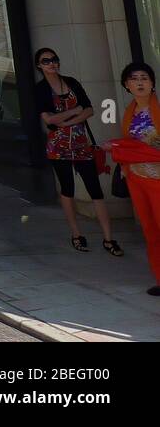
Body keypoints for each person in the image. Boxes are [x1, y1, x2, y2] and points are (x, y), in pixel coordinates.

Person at [33, 48, 119, 255]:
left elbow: (89, 109)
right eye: (46, 61)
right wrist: (74, 111)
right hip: (58, 146)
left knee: (95, 190)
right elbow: (49, 120)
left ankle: (109, 238)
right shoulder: (41, 89)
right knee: (67, 189)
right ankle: (76, 234)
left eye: (54, 59)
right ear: (39, 65)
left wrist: (66, 120)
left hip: (81, 143)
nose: (52, 64)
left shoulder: (71, 82)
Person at [119, 61, 160, 295]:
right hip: (136, 177)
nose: (140, 82)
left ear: (152, 83)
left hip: (158, 177)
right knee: (150, 229)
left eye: (144, 77)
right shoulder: (129, 111)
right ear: (127, 85)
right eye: (134, 78)